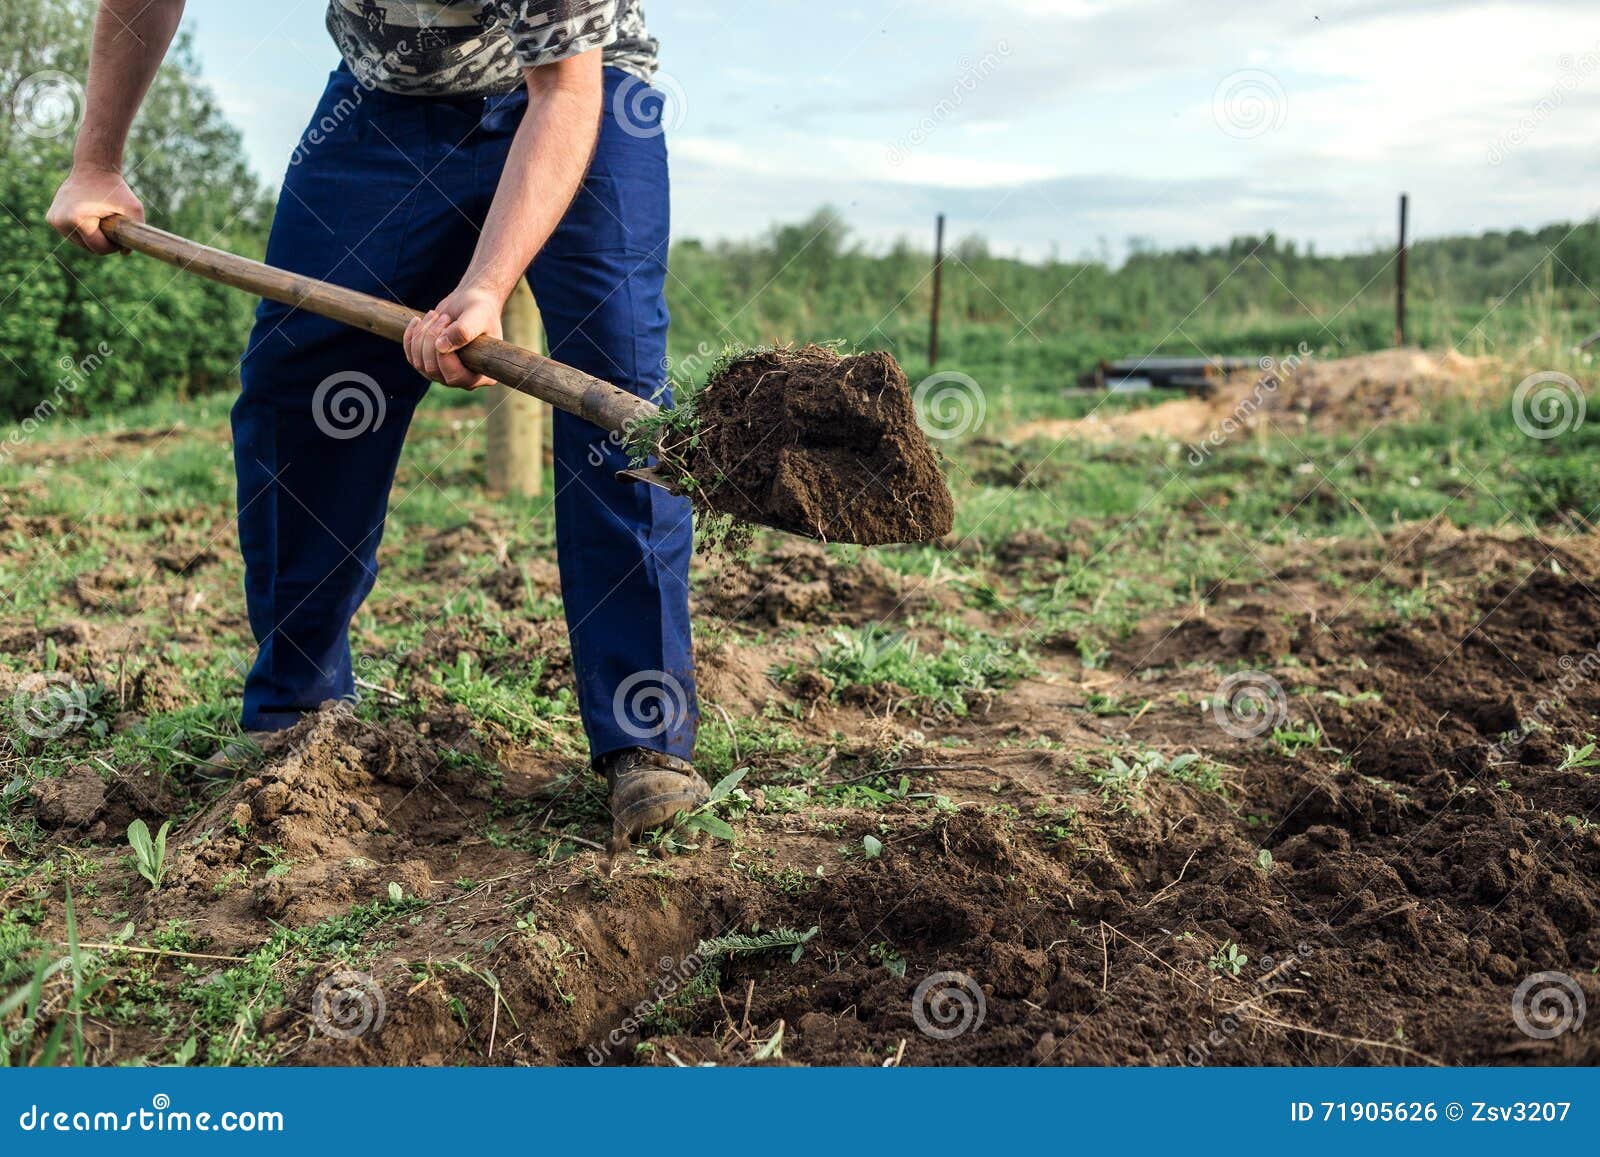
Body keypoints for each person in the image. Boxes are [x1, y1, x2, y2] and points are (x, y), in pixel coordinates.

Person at [46, 0, 706, 840]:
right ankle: (297, 703)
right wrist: (96, 160)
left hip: (586, 95)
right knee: (300, 379)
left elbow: (563, 95)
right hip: (382, 101)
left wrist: (486, 285)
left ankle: (645, 741)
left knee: (615, 395)